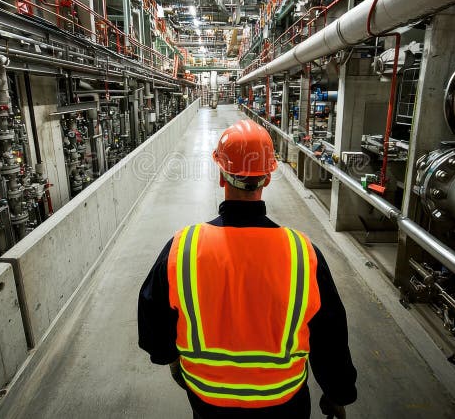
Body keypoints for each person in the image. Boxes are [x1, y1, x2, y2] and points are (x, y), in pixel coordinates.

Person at [138, 119, 356, 418]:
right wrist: (337, 393)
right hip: (283, 400)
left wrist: (170, 358)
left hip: (208, 399)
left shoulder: (182, 248)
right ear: (266, 179)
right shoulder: (303, 253)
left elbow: (152, 318)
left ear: (221, 176)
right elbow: (330, 335)